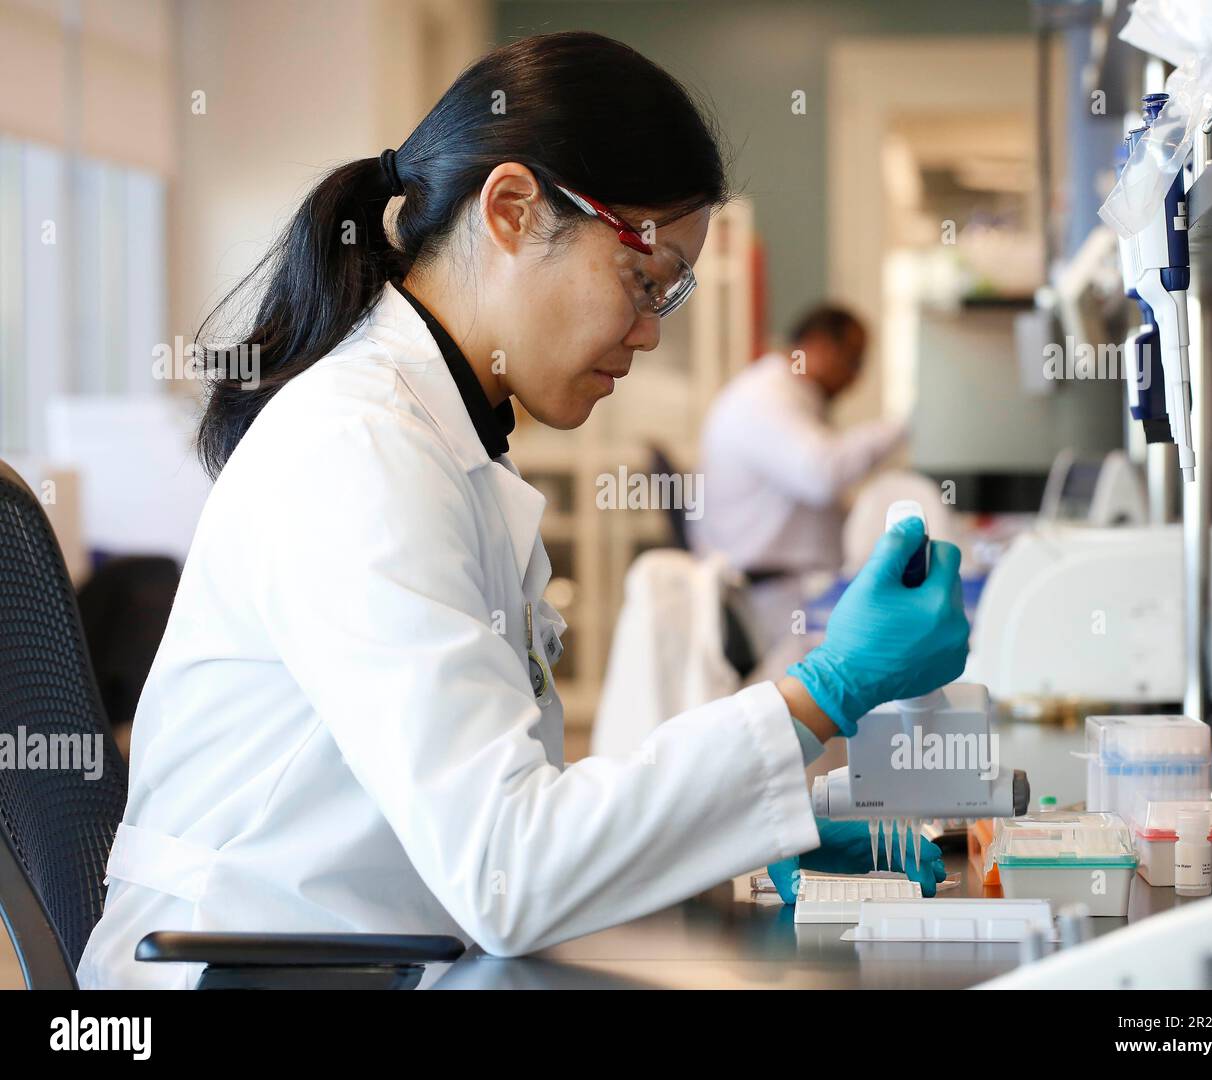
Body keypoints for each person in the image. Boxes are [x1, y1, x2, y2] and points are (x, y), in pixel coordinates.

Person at [77, 32, 966, 990]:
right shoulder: (359, 449)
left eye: (670, 292)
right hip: (239, 975)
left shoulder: (444, 438)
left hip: (378, 953)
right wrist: (818, 697)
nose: (651, 332)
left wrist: (744, 830)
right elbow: (511, 872)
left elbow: (507, 831)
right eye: (643, 277)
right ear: (510, 209)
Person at [692, 305, 907, 581]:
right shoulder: (762, 397)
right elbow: (822, 475)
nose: (856, 378)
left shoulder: (787, 393)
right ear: (818, 346)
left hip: (786, 580)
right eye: (853, 361)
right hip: (768, 592)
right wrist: (906, 425)